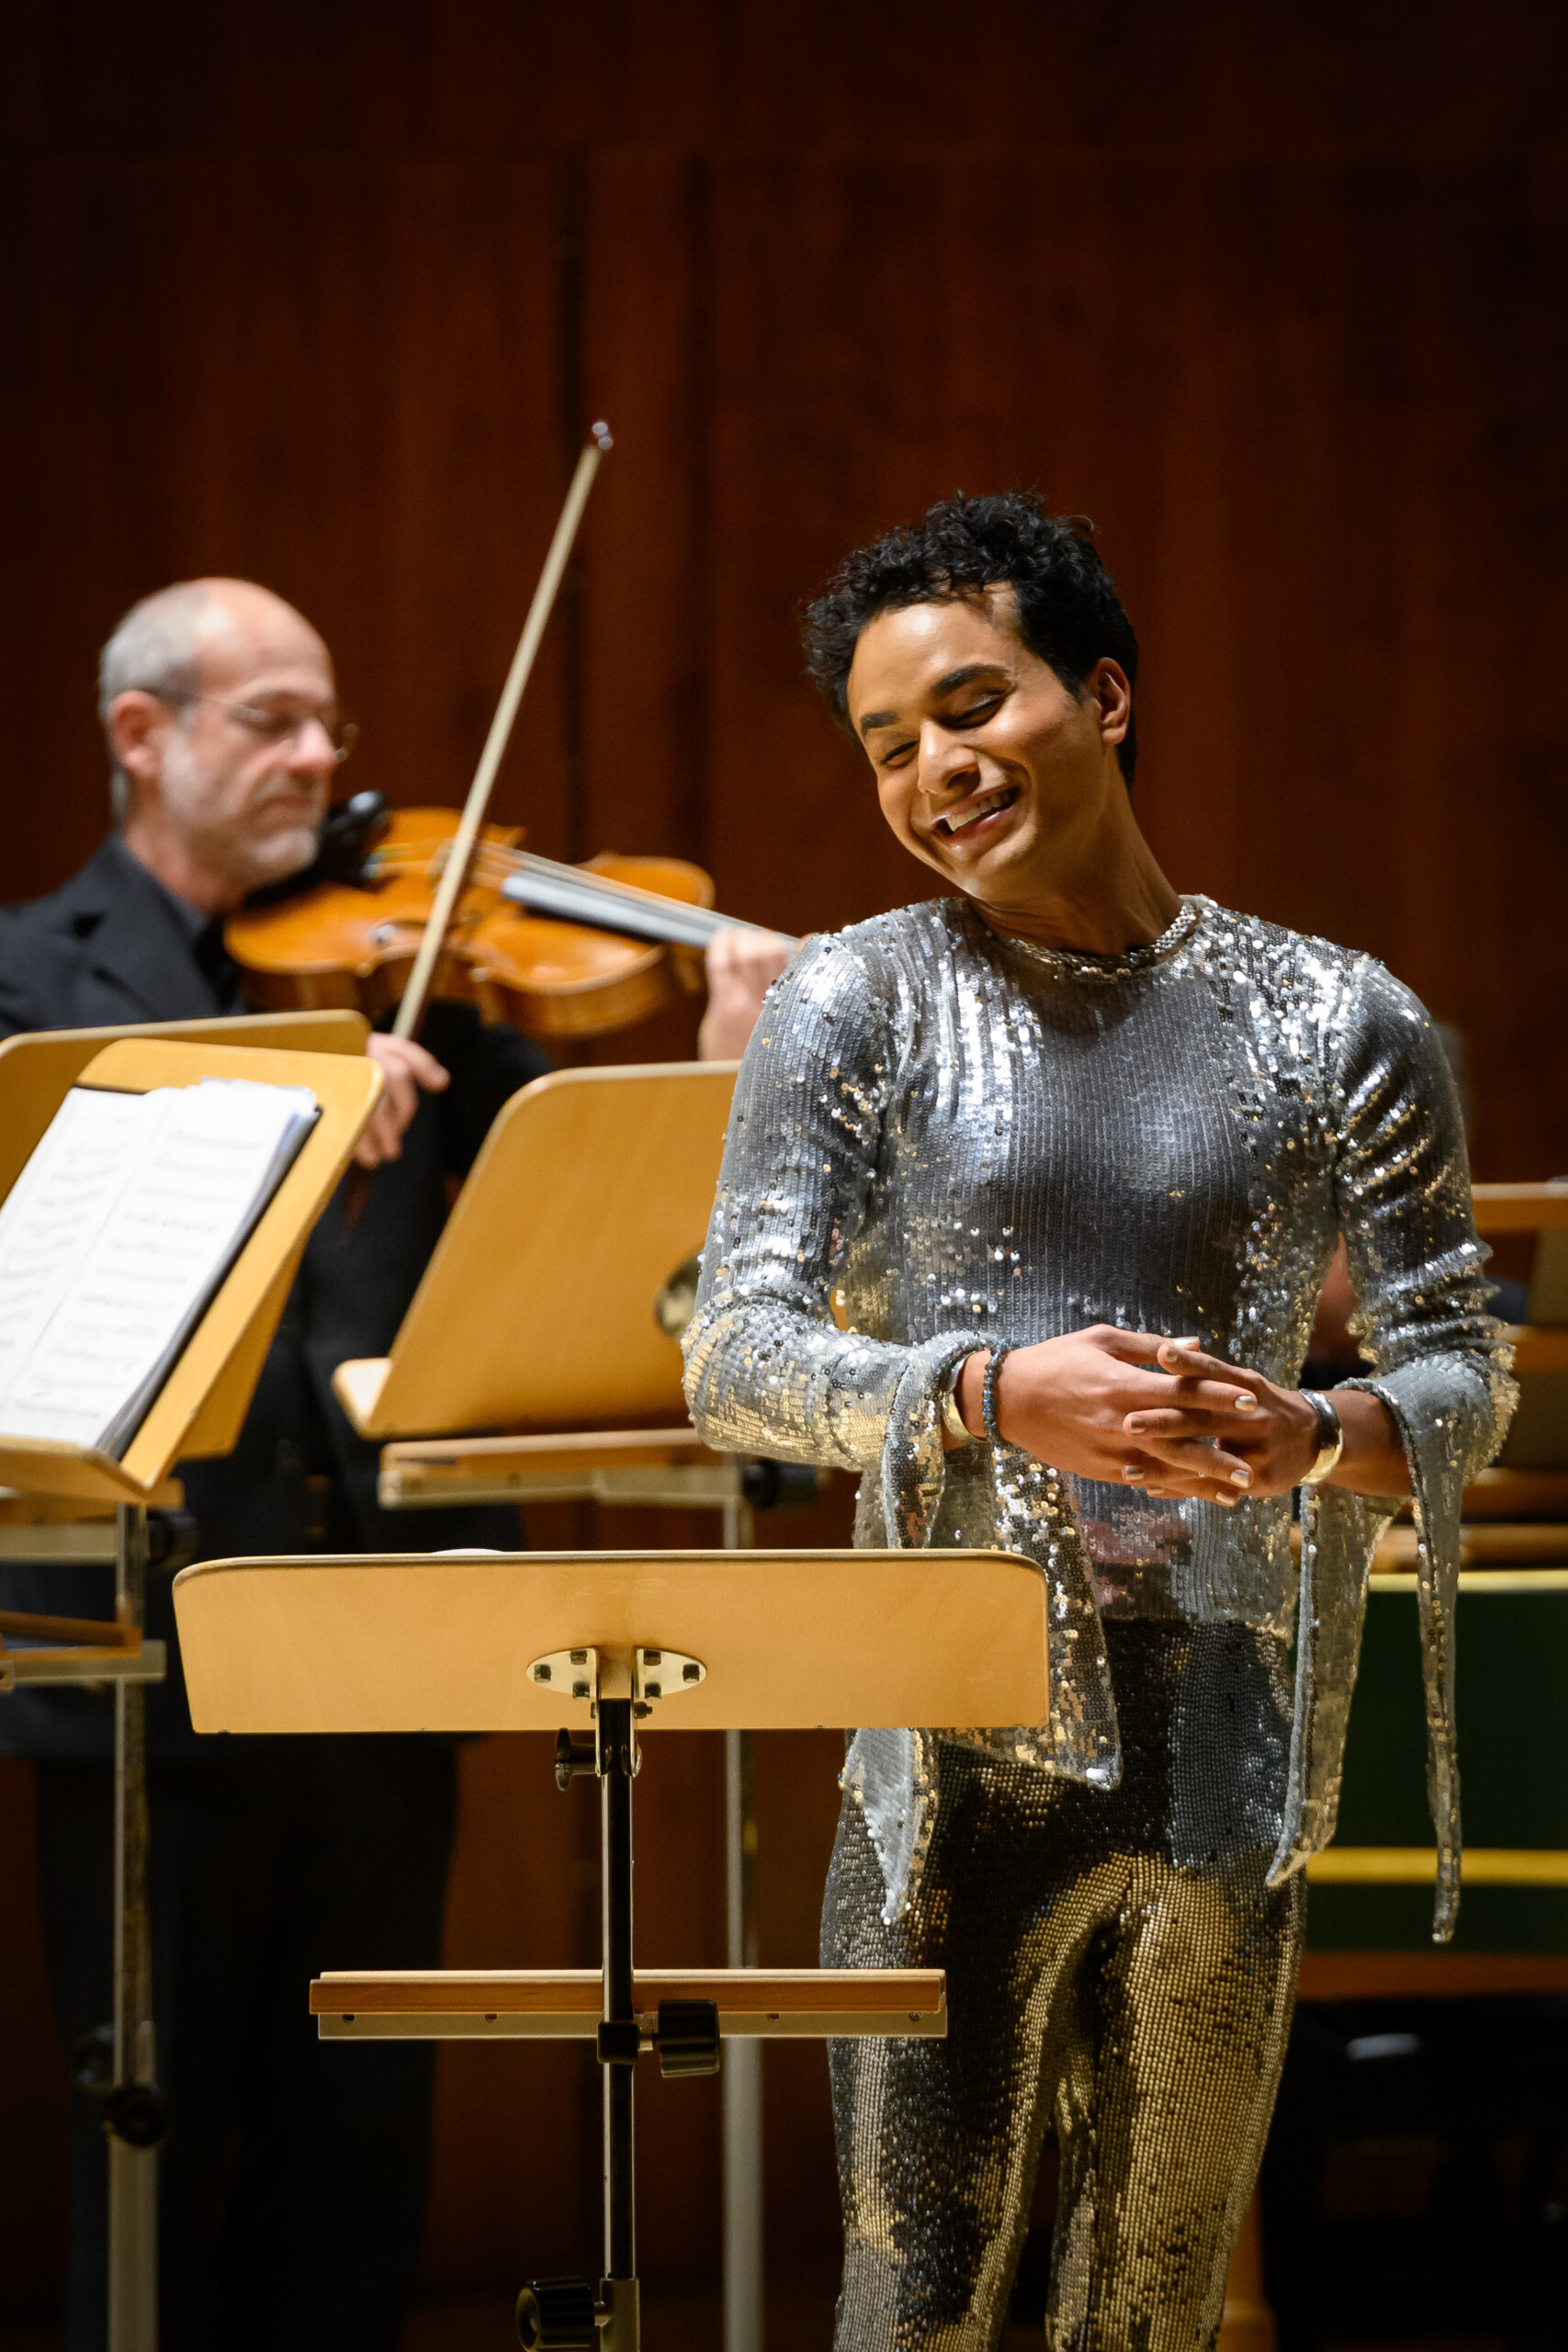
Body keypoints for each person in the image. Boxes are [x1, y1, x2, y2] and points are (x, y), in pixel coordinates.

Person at [682, 496, 1517, 2351]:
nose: (929, 769)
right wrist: (986, 1388)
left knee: (1149, 2307)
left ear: (1107, 694)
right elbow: (730, 1350)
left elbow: (1468, 1374)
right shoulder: (850, 997)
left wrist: (1314, 1432)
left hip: (1224, 1740)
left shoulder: (1332, 1013)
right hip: (947, 1745)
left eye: (969, 706)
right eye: (886, 744)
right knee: (915, 2302)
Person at [0, 576, 787, 2352]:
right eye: (270, 719)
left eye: (330, 720)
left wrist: (725, 1064)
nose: (323, 761)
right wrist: (275, 1095)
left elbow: (588, 1191)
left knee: (363, 2165)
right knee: (151, 2167)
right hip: (148, 1662)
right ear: (144, 736)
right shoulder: (25, 975)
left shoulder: (417, 975)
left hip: (388, 1639)